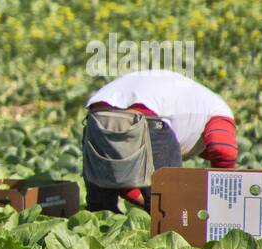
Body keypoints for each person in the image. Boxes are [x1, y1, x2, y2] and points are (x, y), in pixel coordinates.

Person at [82, 70, 238, 214]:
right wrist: (222, 203)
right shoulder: (219, 108)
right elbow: (223, 150)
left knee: (101, 206)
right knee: (171, 208)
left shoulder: (194, 100)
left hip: (99, 109)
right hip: (147, 114)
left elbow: (119, 177)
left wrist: (147, 204)